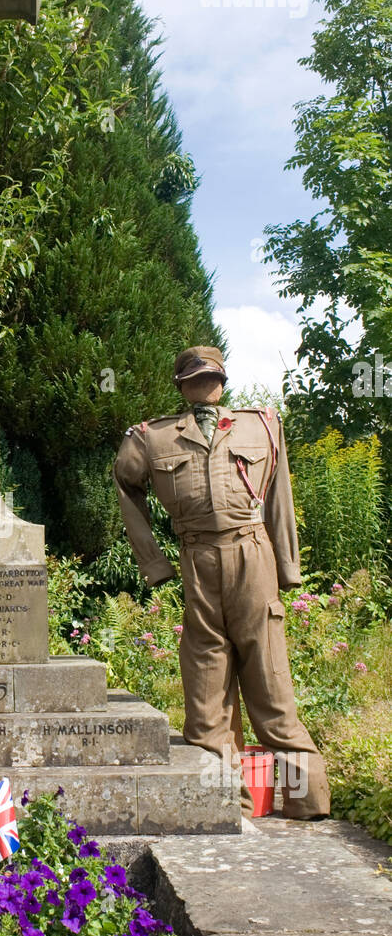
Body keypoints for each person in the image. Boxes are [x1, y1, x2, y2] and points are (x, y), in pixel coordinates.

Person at [113, 345, 330, 820]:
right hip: (197, 561)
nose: (204, 384)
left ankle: (307, 802)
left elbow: (279, 495)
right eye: (194, 377)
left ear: (223, 379)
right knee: (207, 699)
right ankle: (227, 806)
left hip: (253, 554)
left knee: (272, 687)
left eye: (211, 375)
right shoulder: (153, 437)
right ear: (180, 383)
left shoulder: (261, 425)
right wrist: (154, 564)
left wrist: (287, 567)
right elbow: (126, 487)